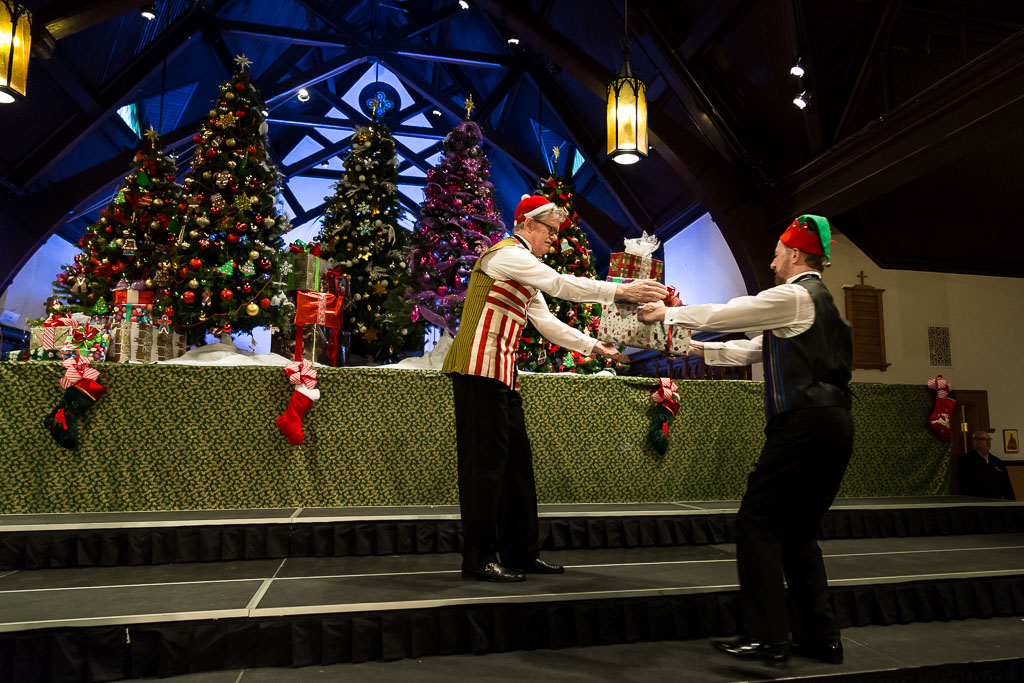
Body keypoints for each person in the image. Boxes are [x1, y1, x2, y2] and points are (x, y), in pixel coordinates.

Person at [639, 214, 852, 664]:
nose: (772, 262)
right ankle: (820, 636)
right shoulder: (822, 306)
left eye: (778, 253)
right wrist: (693, 348)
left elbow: (730, 313)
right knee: (797, 532)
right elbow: (755, 349)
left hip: (803, 423)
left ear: (796, 254)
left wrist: (668, 314)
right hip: (834, 423)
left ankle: (766, 635)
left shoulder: (794, 296)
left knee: (756, 521)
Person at [442, 195, 668, 582]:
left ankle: (520, 553)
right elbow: (562, 285)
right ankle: (478, 560)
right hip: (476, 370)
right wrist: (621, 291)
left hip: (501, 374)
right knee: (485, 468)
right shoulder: (506, 255)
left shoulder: (524, 269)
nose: (554, 238)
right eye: (549, 229)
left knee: (517, 468)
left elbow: (547, 324)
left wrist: (594, 346)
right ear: (526, 223)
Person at [958, 431, 1016, 500]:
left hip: (996, 502)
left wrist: (1012, 503)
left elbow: (1007, 487)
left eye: (989, 439)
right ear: (975, 441)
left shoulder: (998, 462)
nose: (988, 442)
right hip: (976, 502)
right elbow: (963, 487)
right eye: (983, 439)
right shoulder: (966, 461)